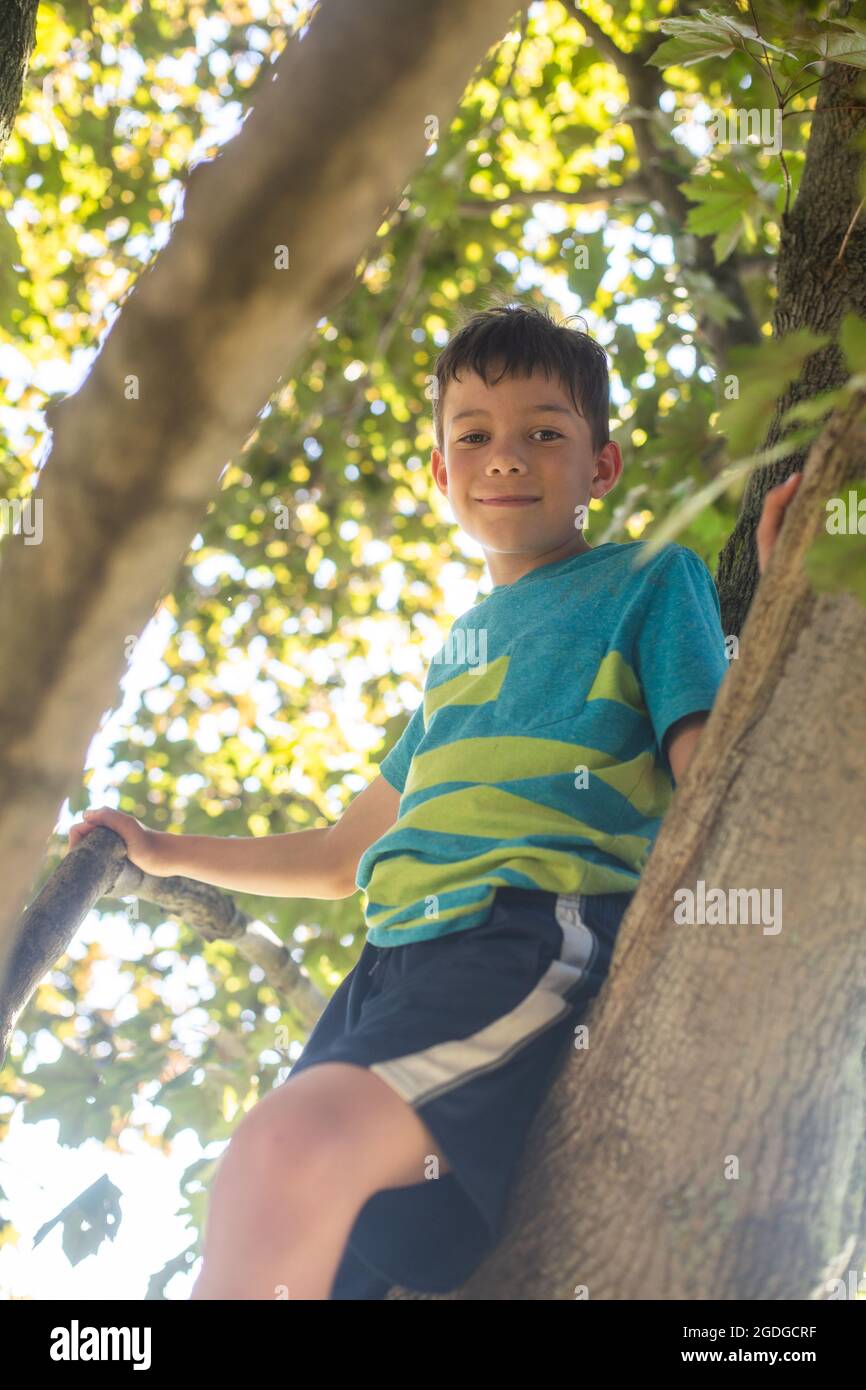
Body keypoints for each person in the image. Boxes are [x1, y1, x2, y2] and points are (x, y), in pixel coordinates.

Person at [67, 303, 802, 1300]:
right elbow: (340, 856)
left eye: (544, 430)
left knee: (285, 1149)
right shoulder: (456, 657)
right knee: (302, 1234)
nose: (506, 455)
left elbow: (709, 766)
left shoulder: (645, 578)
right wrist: (160, 849)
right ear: (438, 472)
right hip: (383, 975)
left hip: (517, 934)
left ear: (601, 467)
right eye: (474, 435)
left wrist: (784, 594)